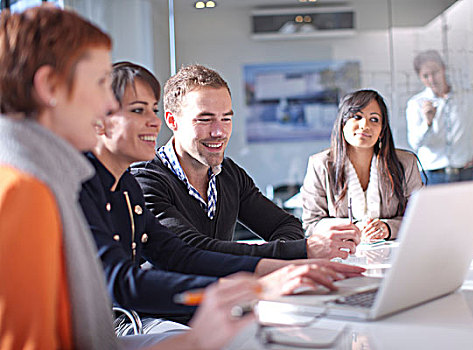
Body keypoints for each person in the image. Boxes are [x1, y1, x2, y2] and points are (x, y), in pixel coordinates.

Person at [0, 7, 358, 350]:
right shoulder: (26, 191)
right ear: (49, 86)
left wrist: (265, 277)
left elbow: (176, 254)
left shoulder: (64, 179)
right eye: (99, 84)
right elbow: (117, 284)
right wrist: (255, 286)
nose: (107, 105)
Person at [81, 61, 365, 327]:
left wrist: (280, 269)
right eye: (137, 110)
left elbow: (180, 256)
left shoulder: (127, 186)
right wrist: (270, 274)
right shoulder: (124, 181)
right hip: (146, 323)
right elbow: (145, 275)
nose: (152, 122)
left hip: (200, 311)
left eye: (151, 110)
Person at [131, 64, 360, 260]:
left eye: (226, 118)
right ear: (172, 121)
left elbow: (286, 226)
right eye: (205, 119)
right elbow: (192, 252)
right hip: (170, 310)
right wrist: (302, 250)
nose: (219, 131)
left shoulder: (229, 174)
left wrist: (290, 253)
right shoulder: (145, 181)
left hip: (227, 299)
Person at [302, 90, 423, 242]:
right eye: (357, 117)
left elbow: (420, 217)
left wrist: (388, 228)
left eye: (374, 119)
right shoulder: (320, 165)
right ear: (343, 124)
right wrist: (356, 228)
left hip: (392, 254)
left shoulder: (406, 163)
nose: (365, 125)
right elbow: (311, 223)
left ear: (382, 131)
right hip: (341, 254)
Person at [406, 50, 473, 185]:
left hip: (466, 174)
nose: (432, 79)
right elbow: (415, 143)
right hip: (432, 177)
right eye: (425, 76)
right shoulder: (416, 104)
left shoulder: (469, 97)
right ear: (420, 77)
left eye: (435, 72)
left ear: (443, 69)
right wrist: (428, 123)